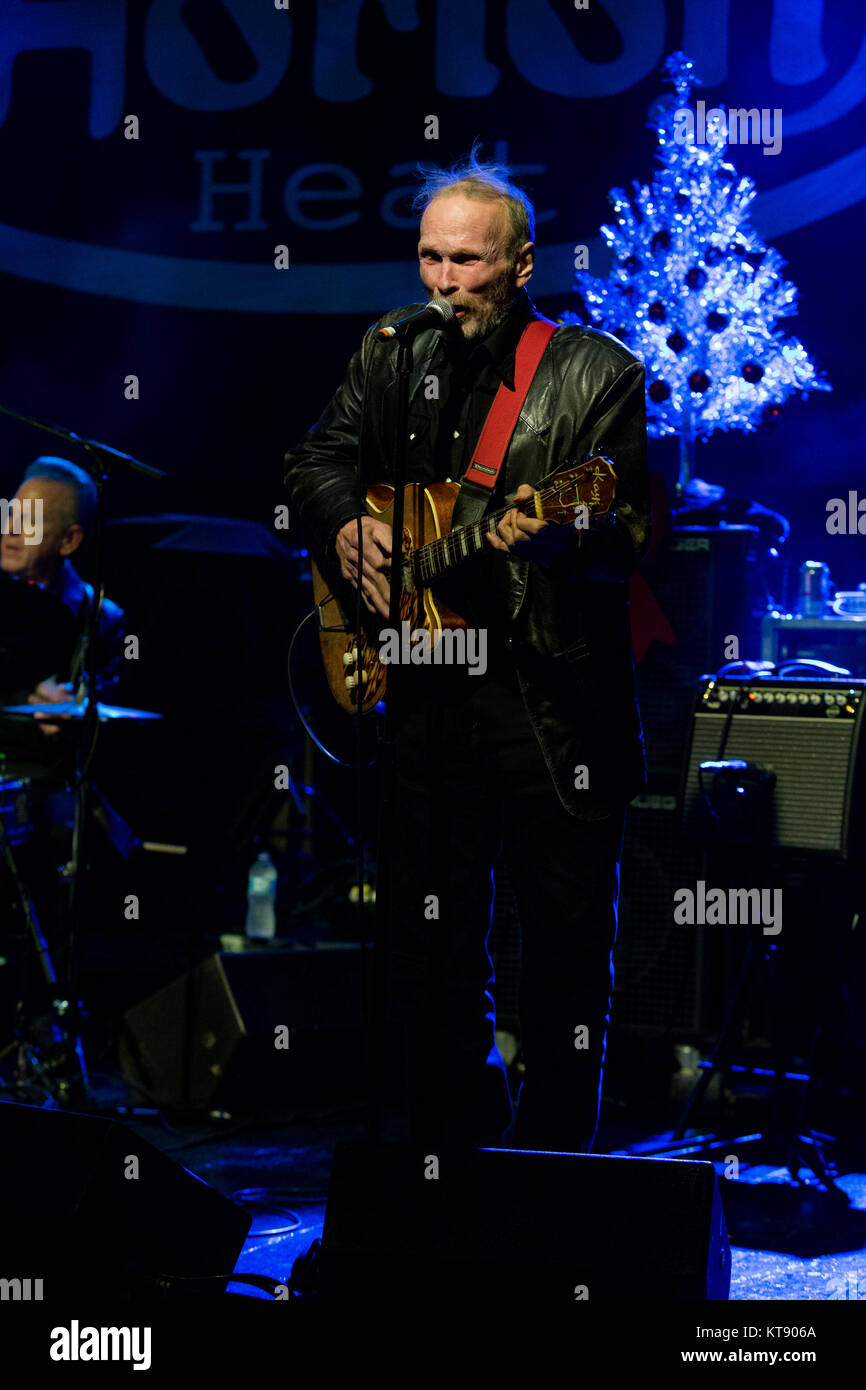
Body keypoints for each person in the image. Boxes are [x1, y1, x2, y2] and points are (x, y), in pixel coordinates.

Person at [284, 150, 650, 1152]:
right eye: (429, 259)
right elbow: (315, 460)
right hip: (426, 698)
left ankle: (555, 1173)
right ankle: (450, 1160)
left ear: (522, 264)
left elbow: (626, 527)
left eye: (468, 263)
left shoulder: (595, 375)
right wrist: (340, 526)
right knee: (427, 951)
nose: (444, 284)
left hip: (547, 705)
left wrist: (563, 531)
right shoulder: (391, 350)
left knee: (565, 954)